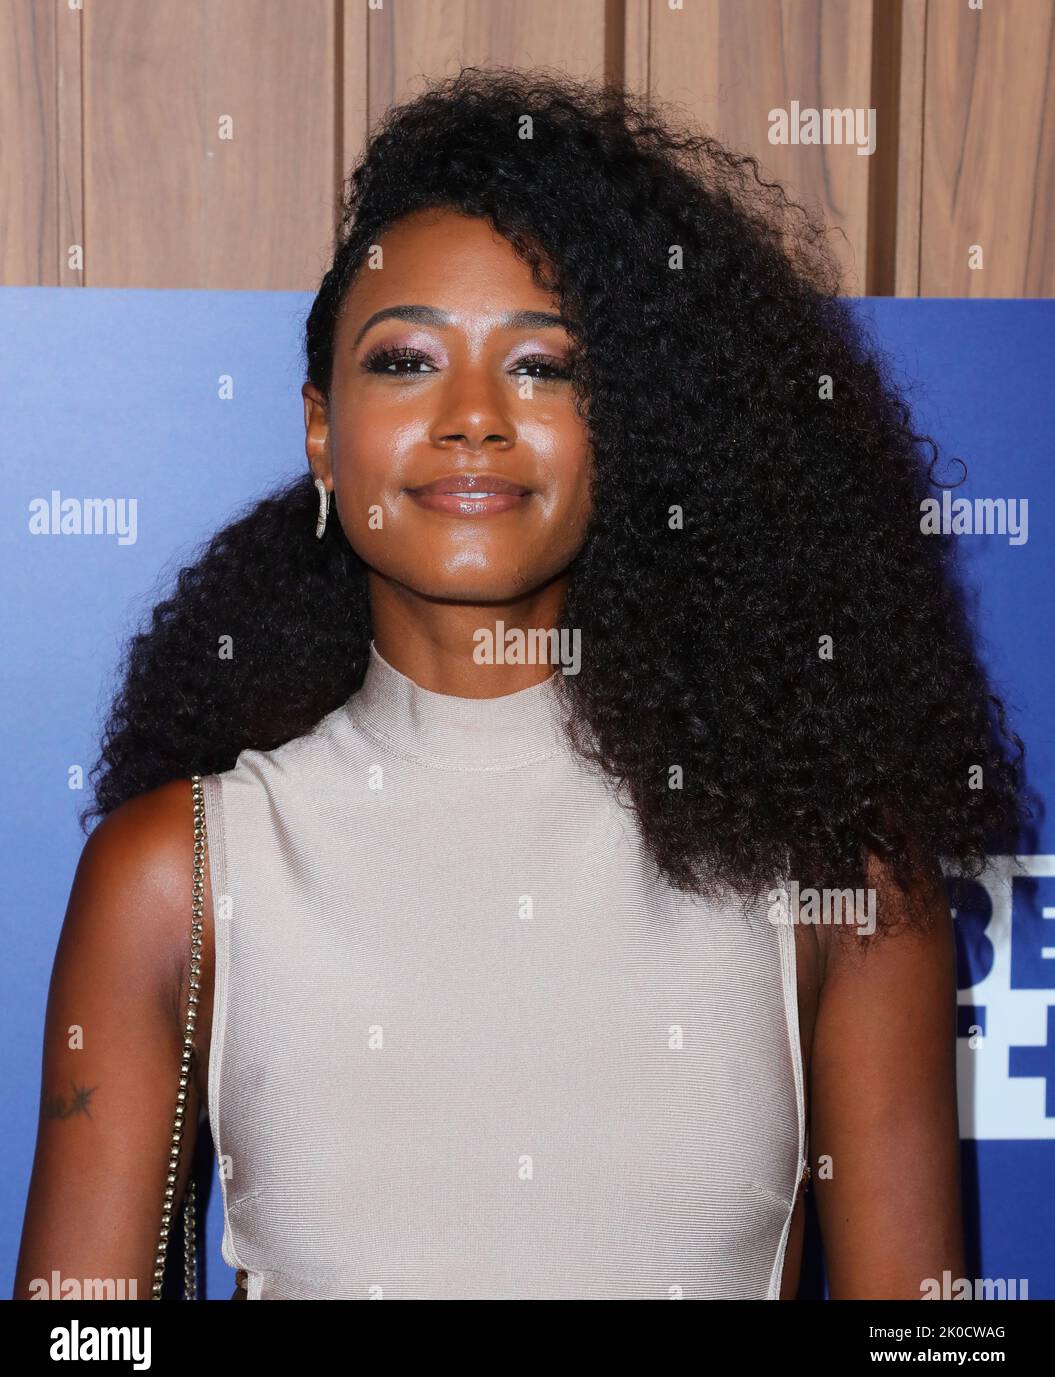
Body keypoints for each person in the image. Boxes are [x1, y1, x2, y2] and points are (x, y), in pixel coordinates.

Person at [15, 66, 1028, 1300]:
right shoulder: (175, 873)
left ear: (628, 429)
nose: (473, 418)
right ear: (321, 431)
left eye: (543, 367)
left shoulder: (833, 873)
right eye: (404, 361)